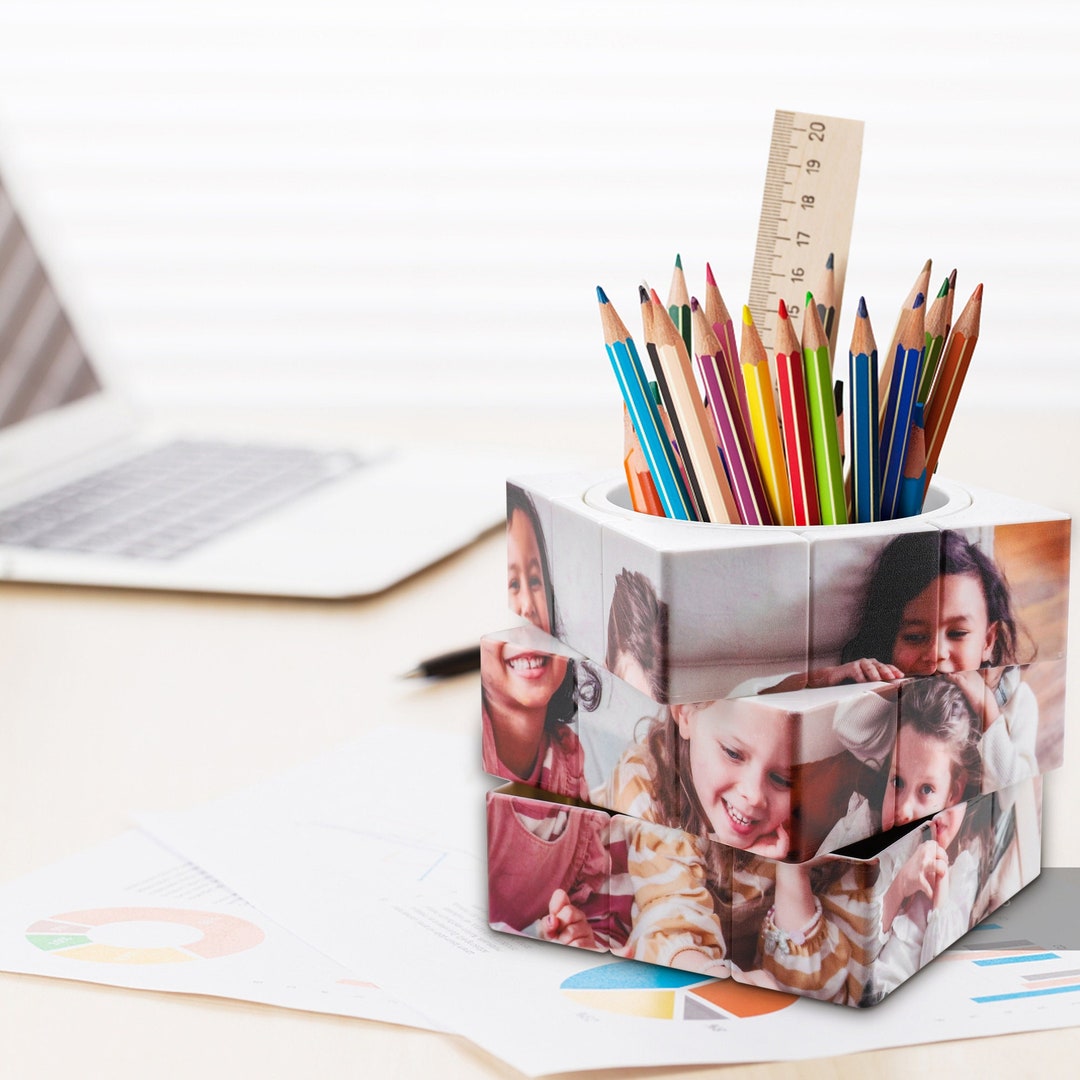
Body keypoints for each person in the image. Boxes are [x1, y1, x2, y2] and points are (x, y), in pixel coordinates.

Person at [763, 530, 1038, 790]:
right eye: (915, 637)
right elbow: (851, 732)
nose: (937, 653)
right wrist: (882, 689)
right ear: (890, 642)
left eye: (958, 633)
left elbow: (1016, 788)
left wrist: (987, 708)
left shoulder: (1014, 699)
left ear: (988, 642)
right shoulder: (900, 712)